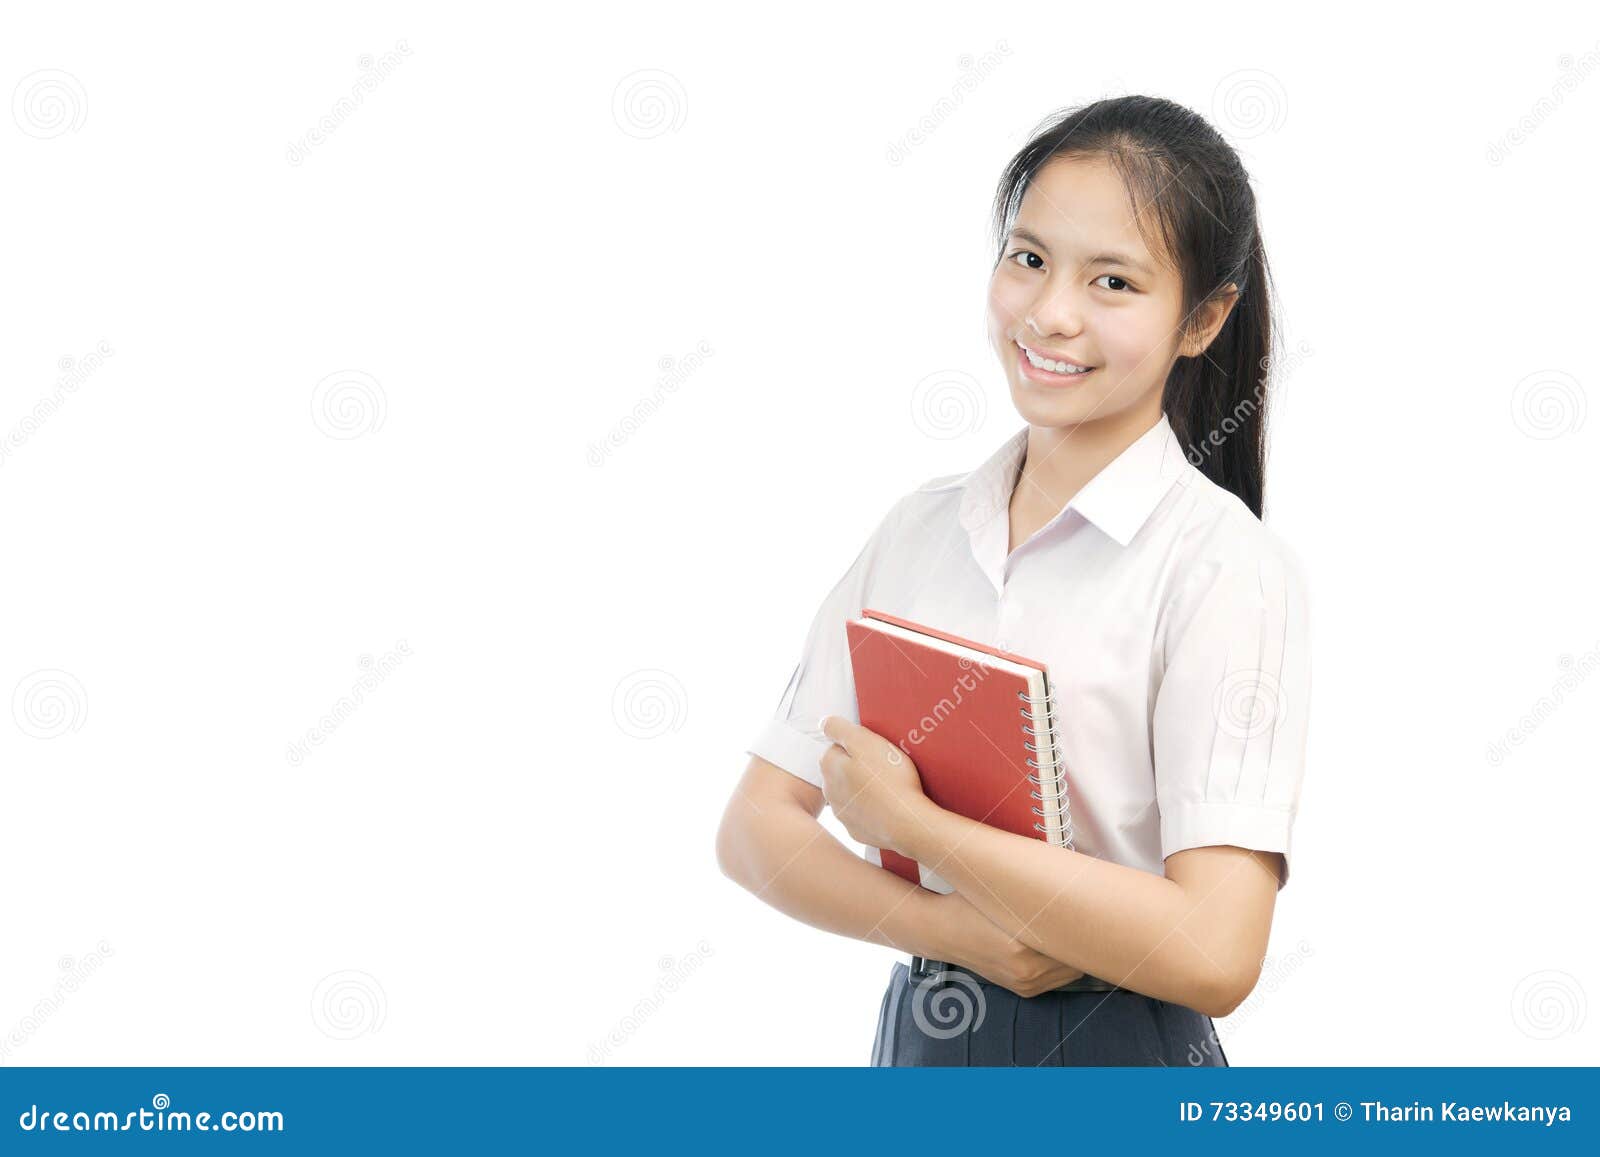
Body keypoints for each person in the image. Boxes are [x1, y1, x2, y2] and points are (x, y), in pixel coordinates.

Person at [715, 94, 1311, 1067]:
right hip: (919, 1035)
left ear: (1203, 319)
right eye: (1028, 258)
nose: (1049, 313)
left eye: (1112, 281)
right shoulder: (918, 529)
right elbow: (753, 829)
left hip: (1113, 1054)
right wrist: (952, 930)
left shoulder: (1221, 566)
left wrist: (913, 826)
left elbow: (1216, 947)